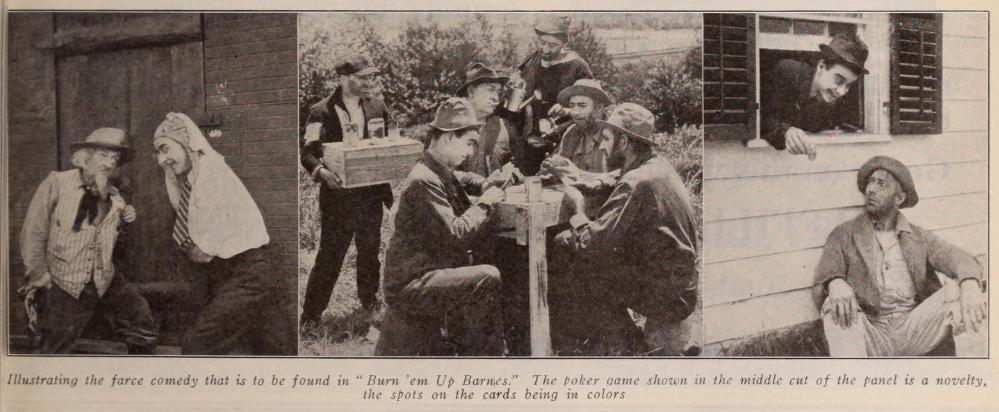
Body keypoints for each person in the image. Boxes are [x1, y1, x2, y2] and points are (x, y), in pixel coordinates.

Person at [549, 103, 699, 355]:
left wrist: (577, 209)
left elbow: (590, 243)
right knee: (599, 259)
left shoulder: (636, 182)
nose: (602, 146)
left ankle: (611, 344)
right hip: (680, 282)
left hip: (667, 293)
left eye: (607, 139)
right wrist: (588, 181)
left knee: (566, 244)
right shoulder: (657, 166)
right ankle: (619, 338)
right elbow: (619, 179)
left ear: (624, 143)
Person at [376, 98, 517, 356]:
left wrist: (484, 184)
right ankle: (487, 358)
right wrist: (485, 204)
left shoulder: (437, 170)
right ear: (449, 138)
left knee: (504, 257)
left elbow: (461, 179)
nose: (472, 152)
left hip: (428, 273)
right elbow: (456, 234)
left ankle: (490, 351)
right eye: (469, 143)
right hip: (413, 283)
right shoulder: (423, 180)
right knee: (487, 275)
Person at [813, 156, 986, 357]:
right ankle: (852, 381)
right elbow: (827, 272)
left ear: (899, 198)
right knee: (834, 305)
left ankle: (972, 374)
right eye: (870, 182)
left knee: (962, 291)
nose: (871, 189)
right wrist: (836, 283)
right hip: (869, 333)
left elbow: (958, 258)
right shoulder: (844, 233)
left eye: (881, 184)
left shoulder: (917, 236)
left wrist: (971, 284)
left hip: (912, 329)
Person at [153, 112, 295, 355]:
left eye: (165, 149)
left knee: (198, 344)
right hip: (249, 271)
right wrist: (169, 174)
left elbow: (204, 253)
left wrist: (189, 247)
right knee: (275, 349)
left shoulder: (211, 175)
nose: (161, 159)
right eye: (158, 153)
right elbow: (184, 210)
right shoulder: (199, 174)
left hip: (249, 274)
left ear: (186, 142)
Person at [19, 128, 158, 354]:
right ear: (84, 157)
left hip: (103, 276)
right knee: (53, 347)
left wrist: (126, 217)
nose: (109, 163)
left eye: (114, 158)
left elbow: (110, 232)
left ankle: (137, 376)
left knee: (141, 323)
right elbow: (33, 232)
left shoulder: (114, 195)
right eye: (103, 155)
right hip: (64, 279)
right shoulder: (56, 184)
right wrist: (38, 274)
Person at [299, 53, 394, 325]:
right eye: (362, 78)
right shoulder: (321, 111)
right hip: (338, 199)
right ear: (343, 78)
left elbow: (385, 148)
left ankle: (369, 301)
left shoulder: (378, 107)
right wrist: (323, 173)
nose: (369, 82)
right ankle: (311, 316)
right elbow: (307, 154)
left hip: (371, 197)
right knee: (330, 255)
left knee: (370, 251)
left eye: (371, 77)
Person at [760, 32, 869, 159]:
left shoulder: (830, 99)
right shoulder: (787, 72)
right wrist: (786, 132)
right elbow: (759, 117)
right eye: (839, 80)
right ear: (821, 66)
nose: (841, 92)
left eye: (849, 85)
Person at [512, 14, 594, 175]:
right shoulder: (532, 60)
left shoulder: (578, 67)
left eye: (552, 45)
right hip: (530, 139)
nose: (545, 49)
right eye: (542, 43)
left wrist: (567, 110)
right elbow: (520, 88)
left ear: (563, 43)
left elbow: (591, 107)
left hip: (566, 140)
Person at [454, 62, 521, 194]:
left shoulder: (505, 127)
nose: (496, 97)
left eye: (498, 92)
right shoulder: (449, 127)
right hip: (458, 206)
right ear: (471, 92)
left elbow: (520, 166)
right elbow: (431, 169)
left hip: (499, 204)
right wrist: (472, 180)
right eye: (490, 89)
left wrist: (512, 175)